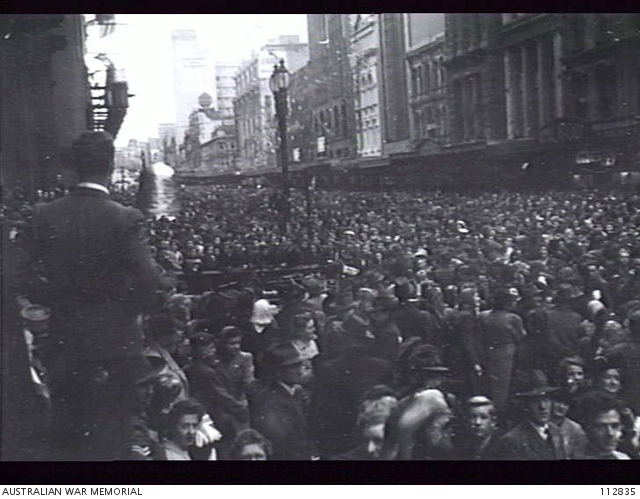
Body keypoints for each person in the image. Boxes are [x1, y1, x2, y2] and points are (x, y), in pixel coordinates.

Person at [12, 130, 159, 460]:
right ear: (109, 166)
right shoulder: (125, 217)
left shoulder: (43, 214)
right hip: (117, 347)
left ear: (75, 167)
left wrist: (56, 297)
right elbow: (149, 282)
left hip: (66, 342)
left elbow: (17, 274)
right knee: (113, 436)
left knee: (69, 434)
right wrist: (121, 308)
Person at [184, 331, 250, 458]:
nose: (212, 351)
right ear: (199, 350)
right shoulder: (207, 372)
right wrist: (240, 409)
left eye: (212, 347)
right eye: (209, 348)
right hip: (216, 415)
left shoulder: (189, 367)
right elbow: (221, 395)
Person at [248, 341, 318, 460]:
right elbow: (280, 442)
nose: (300, 371)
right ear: (277, 372)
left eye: (300, 365)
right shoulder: (270, 401)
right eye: (293, 367)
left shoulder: (296, 391)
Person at [485, 370, 567, 460]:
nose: (543, 407)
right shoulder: (513, 440)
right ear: (526, 405)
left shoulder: (556, 431)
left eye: (546, 400)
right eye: (536, 401)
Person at [478, 288, 527, 416]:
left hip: (486, 353)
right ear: (506, 303)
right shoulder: (513, 318)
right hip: (506, 354)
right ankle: (500, 414)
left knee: (489, 385)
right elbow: (521, 338)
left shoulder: (482, 316)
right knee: (503, 387)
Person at [574, 391, 631, 459]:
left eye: (614, 426)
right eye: (601, 427)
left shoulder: (623, 458)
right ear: (586, 427)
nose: (610, 433)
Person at [548, 389, 588, 459]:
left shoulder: (575, 429)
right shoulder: (542, 424)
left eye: (566, 404)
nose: (561, 407)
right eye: (558, 402)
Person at [456, 395, 498, 460]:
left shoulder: (504, 448)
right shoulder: (462, 449)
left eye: (483, 417)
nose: (477, 422)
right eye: (472, 417)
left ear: (493, 421)